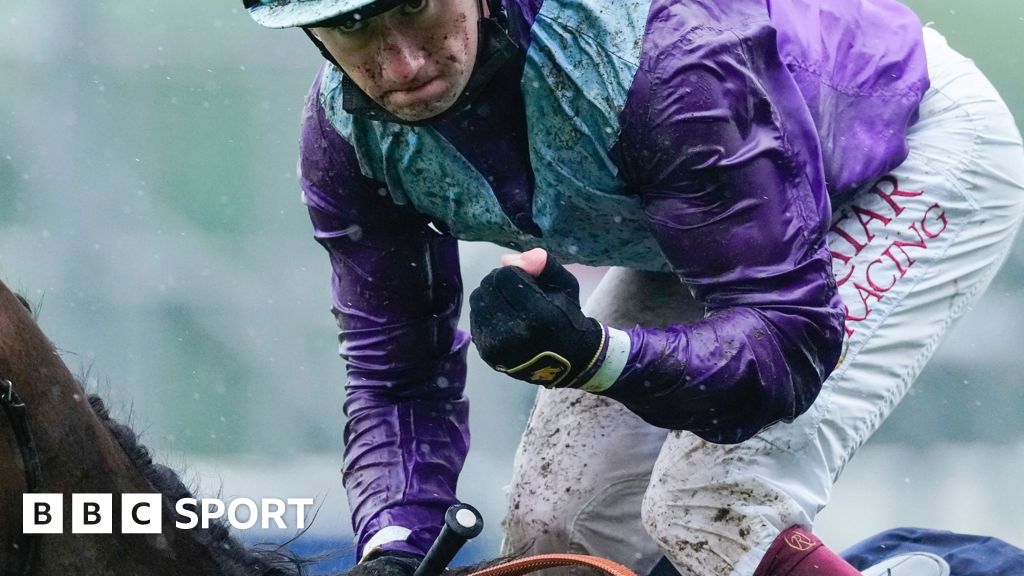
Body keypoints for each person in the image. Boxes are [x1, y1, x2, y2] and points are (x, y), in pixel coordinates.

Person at [241, 0, 1024, 574]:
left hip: (906, 153)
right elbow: (395, 376)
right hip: (705, 226)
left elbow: (787, 347)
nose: (402, 62)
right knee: (555, 536)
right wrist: (392, 546)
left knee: (713, 502)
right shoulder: (346, 143)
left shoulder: (665, 64)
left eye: (415, 7)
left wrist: (597, 355)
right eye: (354, 26)